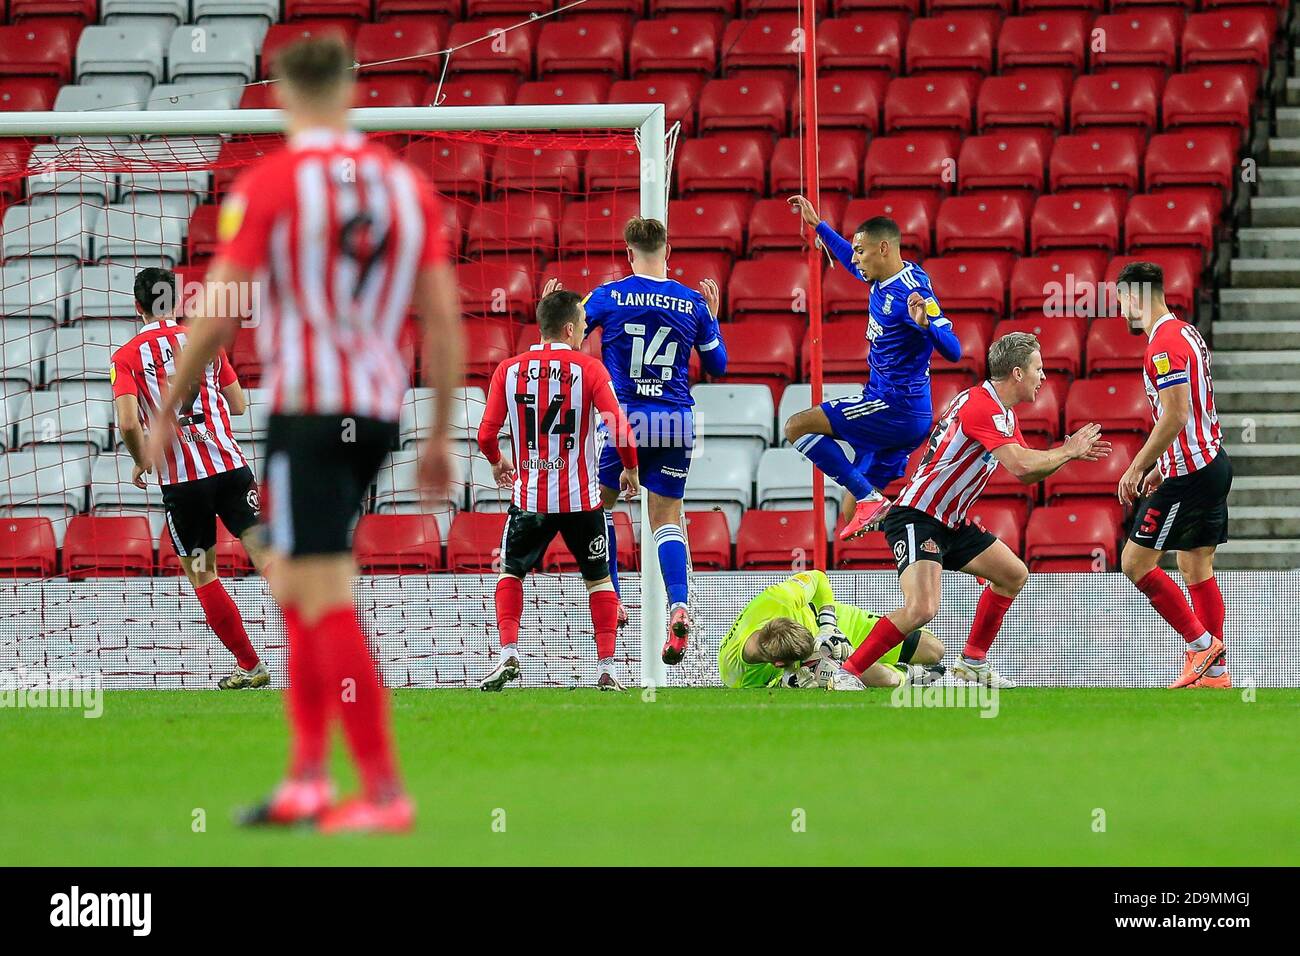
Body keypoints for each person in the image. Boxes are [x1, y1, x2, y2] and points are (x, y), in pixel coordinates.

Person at [146, 37, 464, 833]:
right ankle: (308, 775)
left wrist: (170, 405)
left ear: (284, 94)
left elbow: (220, 307)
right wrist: (441, 435)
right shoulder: (402, 185)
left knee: (317, 592)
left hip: (311, 410)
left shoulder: (273, 183)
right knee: (295, 582)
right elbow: (444, 314)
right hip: (379, 410)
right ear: (351, 90)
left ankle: (383, 792)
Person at [828, 332, 1111, 691]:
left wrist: (1067, 453)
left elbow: (1028, 473)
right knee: (921, 609)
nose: (1044, 377)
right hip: (917, 516)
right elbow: (1021, 466)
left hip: (949, 522)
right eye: (1038, 369)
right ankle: (847, 672)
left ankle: (972, 664)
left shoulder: (1002, 412)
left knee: (1012, 574)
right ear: (1017, 373)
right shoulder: (982, 406)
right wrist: (1067, 451)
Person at [543, 216, 726, 665]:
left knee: (597, 509)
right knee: (666, 520)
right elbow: (718, 365)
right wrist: (712, 322)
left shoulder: (608, 295)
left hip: (622, 419)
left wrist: (552, 315)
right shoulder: (693, 302)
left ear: (629, 254)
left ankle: (617, 600)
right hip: (676, 421)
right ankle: (678, 607)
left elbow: (571, 337)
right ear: (669, 252)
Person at [111, 266, 270, 690]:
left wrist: (142, 456)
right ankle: (322, 657)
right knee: (270, 558)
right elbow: (237, 405)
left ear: (137, 306)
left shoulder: (126, 357)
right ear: (178, 301)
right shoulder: (206, 341)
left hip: (185, 485)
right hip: (233, 471)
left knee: (203, 571)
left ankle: (251, 668)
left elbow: (128, 422)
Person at [475, 290, 640, 692]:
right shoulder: (590, 369)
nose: (586, 329)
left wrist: (499, 462)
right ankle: (606, 668)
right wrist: (631, 471)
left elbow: (484, 435)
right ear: (569, 328)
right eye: (583, 324)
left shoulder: (508, 370)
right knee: (599, 580)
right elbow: (619, 429)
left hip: (530, 499)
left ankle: (508, 653)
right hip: (582, 500)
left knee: (511, 571)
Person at [785, 198, 962, 540]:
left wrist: (926, 326)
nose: (855, 259)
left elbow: (954, 351)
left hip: (894, 408)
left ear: (883, 248)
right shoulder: (884, 277)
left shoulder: (914, 293)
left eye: (860, 252)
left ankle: (873, 499)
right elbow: (854, 268)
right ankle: (933, 543)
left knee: (796, 427)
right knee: (851, 514)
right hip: (900, 414)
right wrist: (819, 227)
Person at [1115, 261, 1231, 689]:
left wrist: (1139, 465)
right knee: (1195, 565)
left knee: (1134, 562)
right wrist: (1162, 467)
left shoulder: (1162, 345)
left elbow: (1177, 414)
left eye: (1121, 300)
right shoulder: (1186, 331)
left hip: (1191, 473)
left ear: (1134, 296)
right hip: (1211, 463)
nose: (1121, 309)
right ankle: (1215, 674)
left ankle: (1201, 646)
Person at [719, 569, 945, 689]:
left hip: (836, 627)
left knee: (934, 651)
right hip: (814, 666)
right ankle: (907, 675)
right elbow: (767, 692)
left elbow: (817, 577)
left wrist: (827, 624)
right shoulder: (738, 677)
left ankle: (870, 661)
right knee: (882, 680)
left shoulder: (779, 600)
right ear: (777, 664)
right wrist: (785, 682)